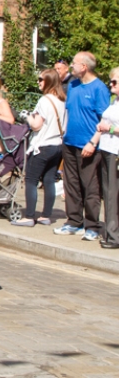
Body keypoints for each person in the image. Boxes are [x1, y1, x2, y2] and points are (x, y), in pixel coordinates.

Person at [54, 51, 111, 240]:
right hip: (70, 142)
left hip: (88, 145)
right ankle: (73, 221)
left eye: (74, 63)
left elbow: (105, 119)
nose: (71, 66)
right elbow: (69, 112)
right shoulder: (73, 85)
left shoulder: (99, 89)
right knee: (71, 184)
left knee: (90, 186)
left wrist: (92, 142)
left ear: (84, 67)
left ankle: (93, 225)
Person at [12, 68, 67, 227]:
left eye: (41, 79)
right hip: (57, 146)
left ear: (49, 81)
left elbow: (36, 125)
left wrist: (26, 116)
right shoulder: (62, 101)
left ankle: (29, 216)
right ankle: (46, 216)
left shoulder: (44, 101)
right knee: (49, 180)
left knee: (31, 180)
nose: (38, 82)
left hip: (42, 146)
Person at [95, 67, 119, 248]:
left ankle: (113, 236)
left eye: (115, 82)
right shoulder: (115, 101)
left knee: (112, 194)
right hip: (107, 149)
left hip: (115, 152)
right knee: (108, 192)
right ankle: (110, 232)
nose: (111, 85)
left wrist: (108, 128)